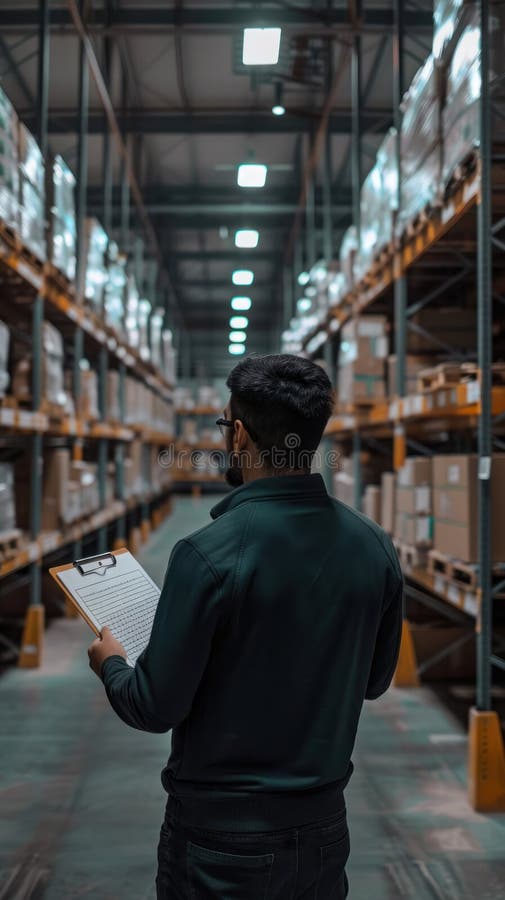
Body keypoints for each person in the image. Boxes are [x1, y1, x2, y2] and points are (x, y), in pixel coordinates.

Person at [88, 353, 403, 899]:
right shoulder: (372, 546)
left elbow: (153, 706)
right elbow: (374, 681)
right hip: (324, 831)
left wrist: (112, 662)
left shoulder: (206, 554)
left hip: (221, 844)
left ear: (237, 435)